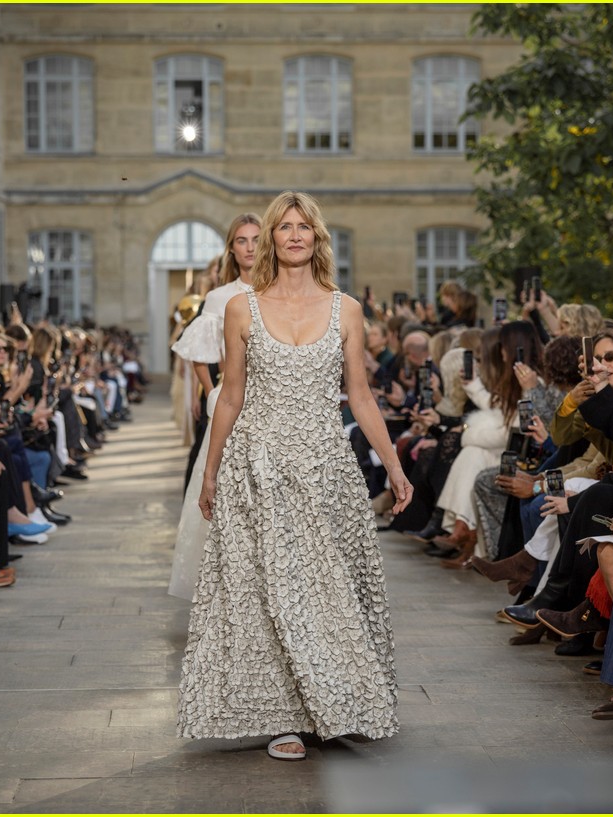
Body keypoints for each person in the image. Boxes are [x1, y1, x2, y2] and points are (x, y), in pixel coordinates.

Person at [177, 191, 413, 760]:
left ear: (317, 237)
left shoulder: (346, 308)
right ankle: (284, 715)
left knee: (326, 590)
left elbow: (359, 394)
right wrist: (209, 473)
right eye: (283, 227)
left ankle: (332, 700)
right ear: (272, 240)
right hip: (256, 465)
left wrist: (395, 465)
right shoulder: (242, 307)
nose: (293, 235)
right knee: (269, 593)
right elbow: (230, 396)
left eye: (303, 226)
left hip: (326, 466)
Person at [168, 213, 261, 602]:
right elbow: (199, 352)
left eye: (257, 239)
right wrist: (211, 392)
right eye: (242, 240)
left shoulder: (281, 290)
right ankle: (228, 586)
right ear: (232, 248)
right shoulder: (221, 297)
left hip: (274, 401)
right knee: (227, 492)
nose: (251, 247)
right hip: (232, 403)